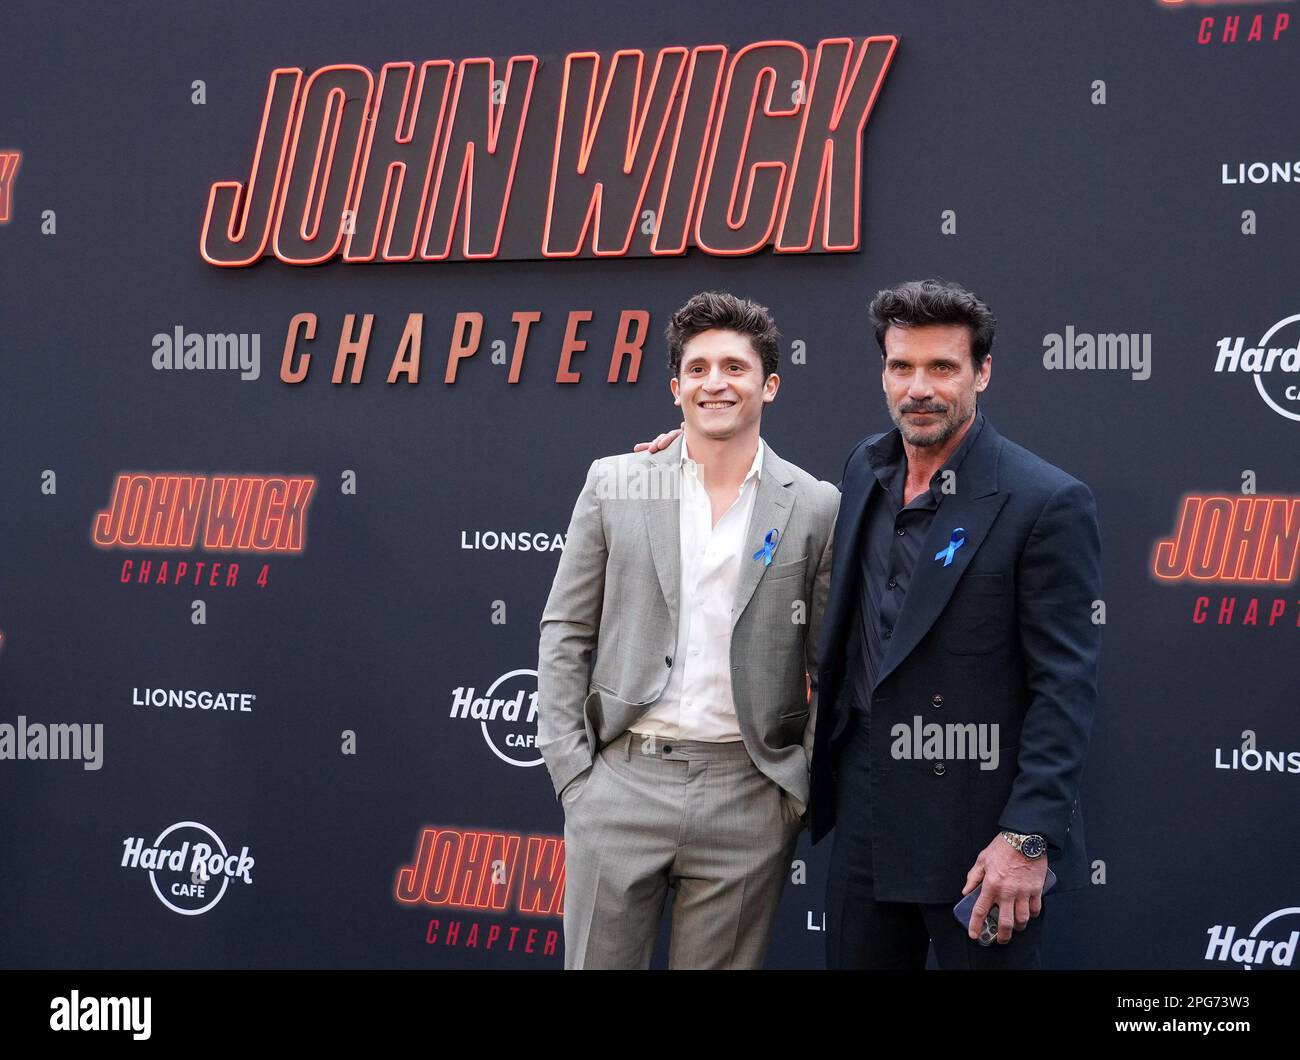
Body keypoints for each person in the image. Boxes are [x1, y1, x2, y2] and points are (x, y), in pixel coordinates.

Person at [639, 279, 1102, 970]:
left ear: (983, 372)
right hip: (865, 816)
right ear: (883, 372)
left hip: (978, 835)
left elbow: (1063, 688)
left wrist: (1026, 838)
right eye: (902, 366)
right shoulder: (865, 467)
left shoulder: (1044, 502)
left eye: (943, 368)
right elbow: (777, 503)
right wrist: (697, 447)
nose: (920, 387)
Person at [537, 291, 839, 969]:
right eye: (699, 369)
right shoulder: (616, 484)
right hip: (619, 783)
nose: (716, 382)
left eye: (735, 366)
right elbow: (565, 631)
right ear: (676, 389)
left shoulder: (816, 505)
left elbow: (831, 661)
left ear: (770, 385)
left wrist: (796, 791)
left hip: (748, 795)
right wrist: (574, 778)